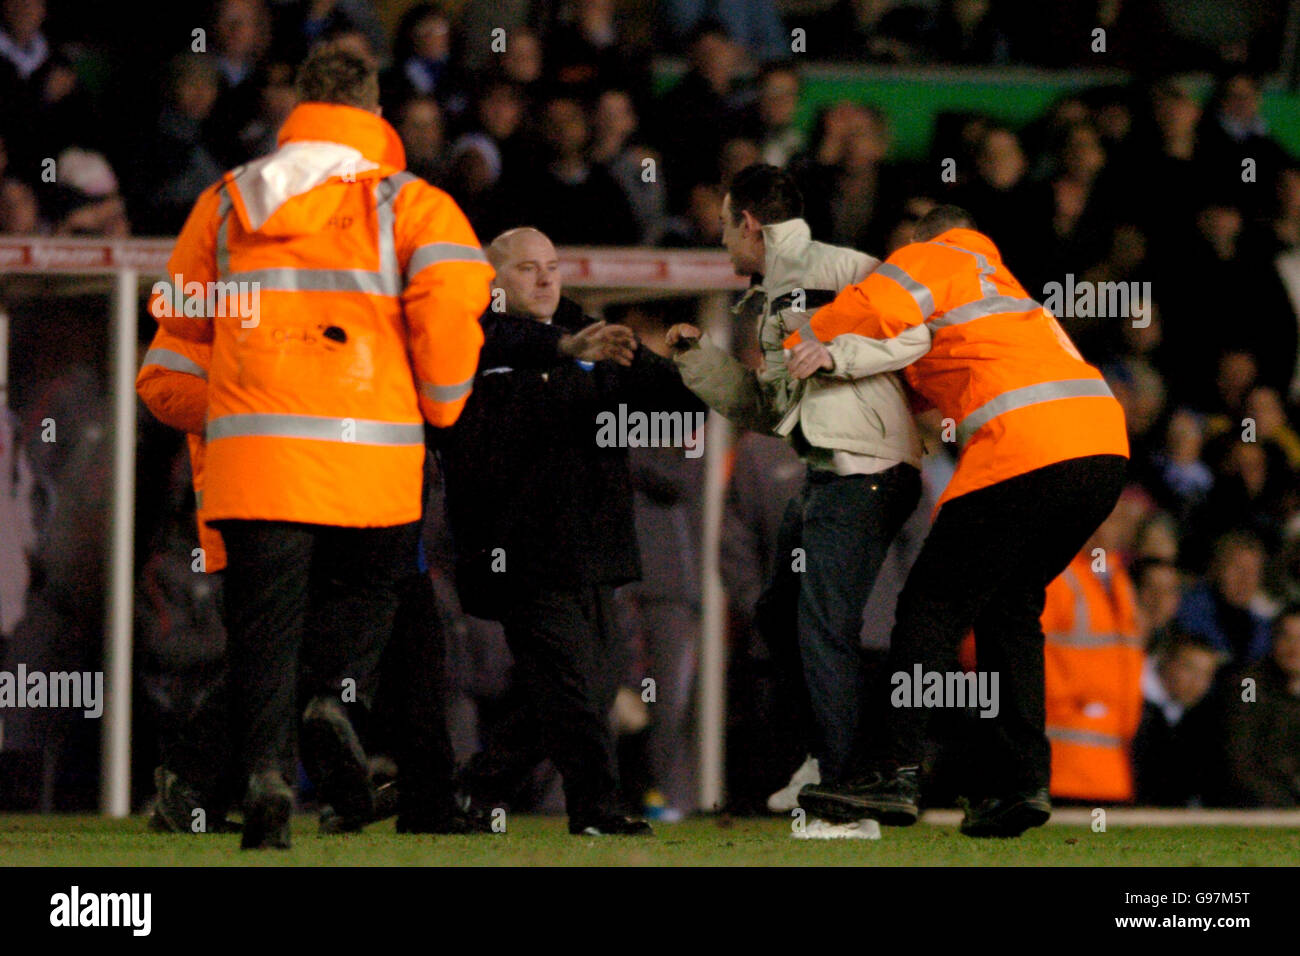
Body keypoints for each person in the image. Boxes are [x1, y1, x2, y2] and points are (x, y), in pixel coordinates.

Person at [156, 47, 493, 849]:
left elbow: (177, 332)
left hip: (256, 465)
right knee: (364, 611)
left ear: (294, 109)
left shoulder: (226, 200)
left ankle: (265, 777)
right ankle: (330, 705)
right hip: (369, 467)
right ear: (376, 113)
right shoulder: (413, 205)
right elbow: (450, 312)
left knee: (264, 639)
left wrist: (246, 397)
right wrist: (443, 406)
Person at [794, 204, 1129, 838]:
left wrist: (797, 340)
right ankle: (1018, 784)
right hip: (1101, 449)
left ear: (922, 236)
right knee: (1010, 607)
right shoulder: (1003, 292)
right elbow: (929, 373)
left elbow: (870, 309)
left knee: (931, 608)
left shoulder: (937, 254)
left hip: (1025, 450)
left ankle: (891, 770)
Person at [667, 164, 922, 838]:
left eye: (725, 228)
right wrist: (701, 365)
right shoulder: (773, 290)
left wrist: (837, 357)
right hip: (829, 470)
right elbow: (769, 410)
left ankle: (847, 793)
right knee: (780, 617)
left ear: (749, 223)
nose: (723, 243)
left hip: (866, 465)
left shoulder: (846, 266)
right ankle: (830, 760)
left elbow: (921, 333)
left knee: (821, 627)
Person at [434, 226, 702, 836]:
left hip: (591, 551)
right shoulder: (472, 337)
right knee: (576, 685)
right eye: (528, 268)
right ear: (494, 284)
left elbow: (681, 405)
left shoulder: (592, 338)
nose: (547, 277)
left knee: (583, 687)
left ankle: (469, 789)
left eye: (552, 265)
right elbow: (507, 344)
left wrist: (689, 364)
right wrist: (565, 348)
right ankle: (596, 808)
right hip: (517, 555)